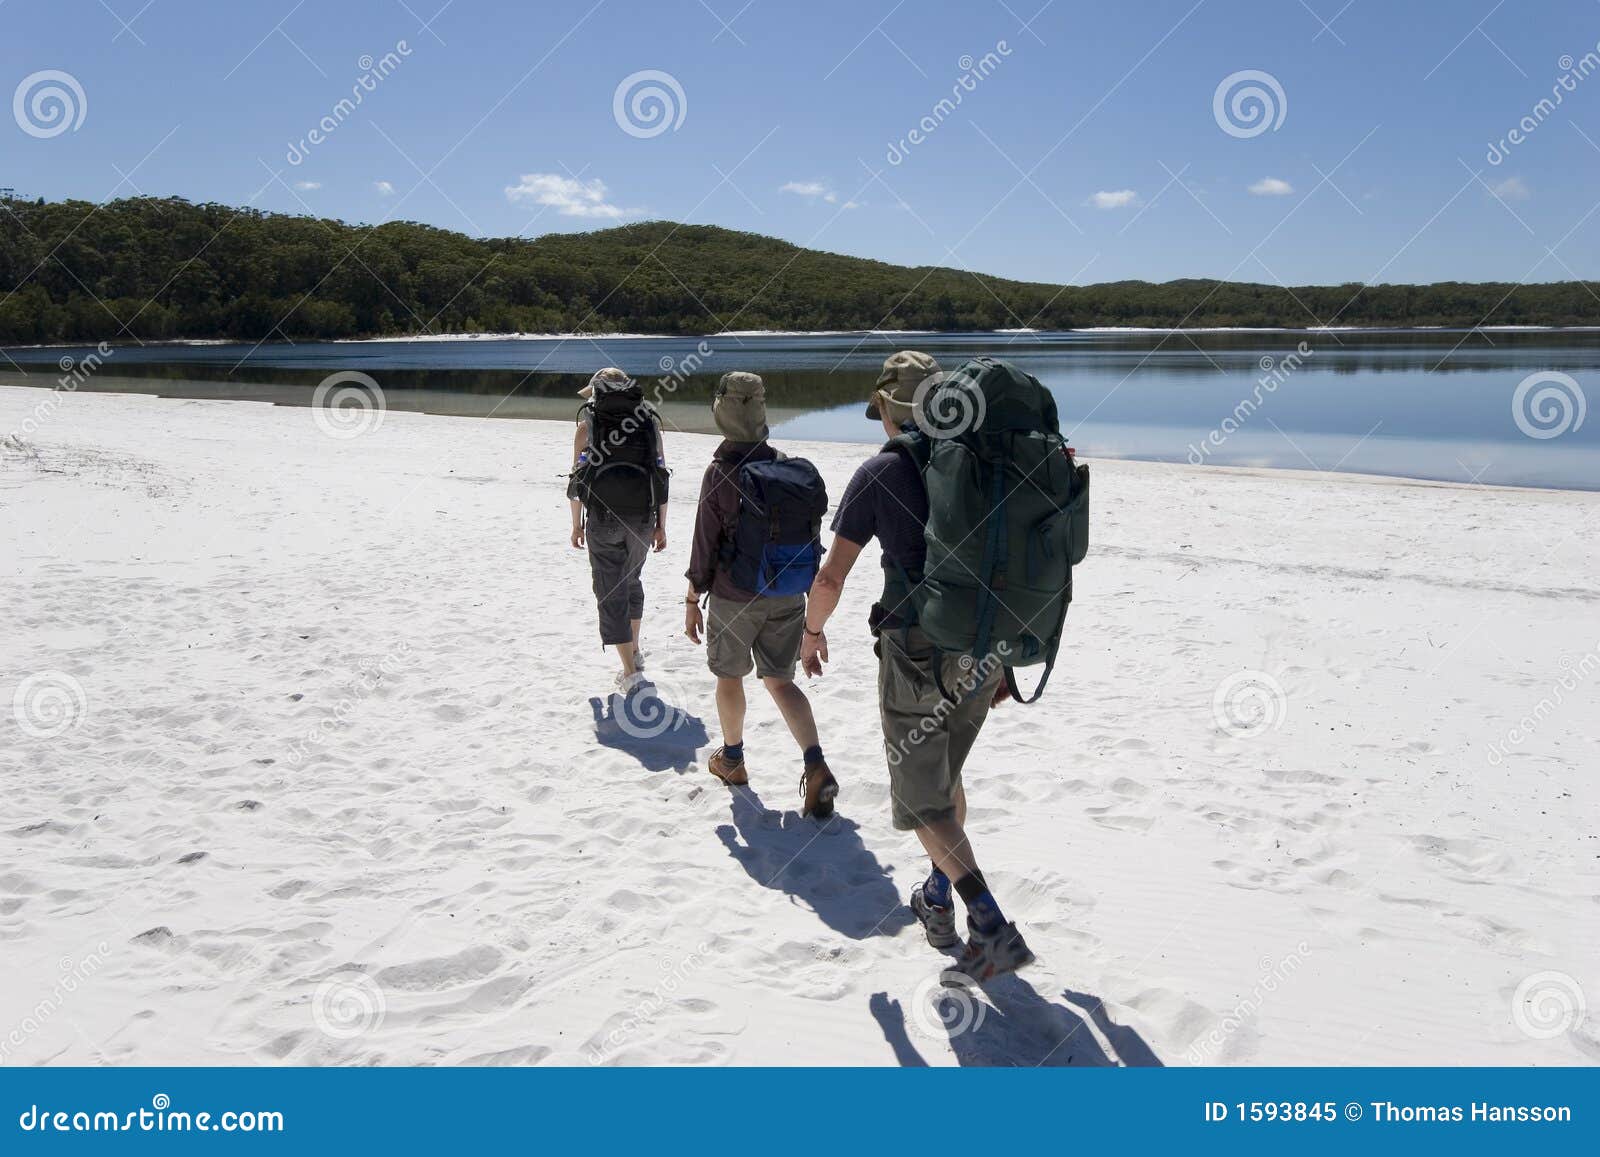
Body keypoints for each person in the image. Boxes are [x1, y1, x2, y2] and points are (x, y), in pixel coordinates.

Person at [798, 351, 1035, 984]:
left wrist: (812, 631)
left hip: (917, 651)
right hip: (987, 647)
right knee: (946, 773)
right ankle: (937, 897)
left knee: (920, 795)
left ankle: (987, 922)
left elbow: (830, 573)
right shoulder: (988, 464)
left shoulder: (881, 472)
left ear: (887, 411)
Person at [684, 371, 839, 819]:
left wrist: (693, 600)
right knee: (781, 681)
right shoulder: (785, 467)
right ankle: (815, 764)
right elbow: (808, 541)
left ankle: (732, 760)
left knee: (729, 678)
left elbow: (704, 548)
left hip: (735, 597)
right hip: (788, 593)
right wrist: (814, 618)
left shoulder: (718, 474)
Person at [569, 367, 669, 692]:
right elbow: (660, 475)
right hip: (642, 517)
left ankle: (630, 672)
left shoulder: (588, 425)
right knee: (631, 582)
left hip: (603, 517)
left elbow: (577, 481)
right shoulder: (649, 423)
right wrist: (661, 525)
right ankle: (635, 653)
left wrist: (576, 524)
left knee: (609, 589)